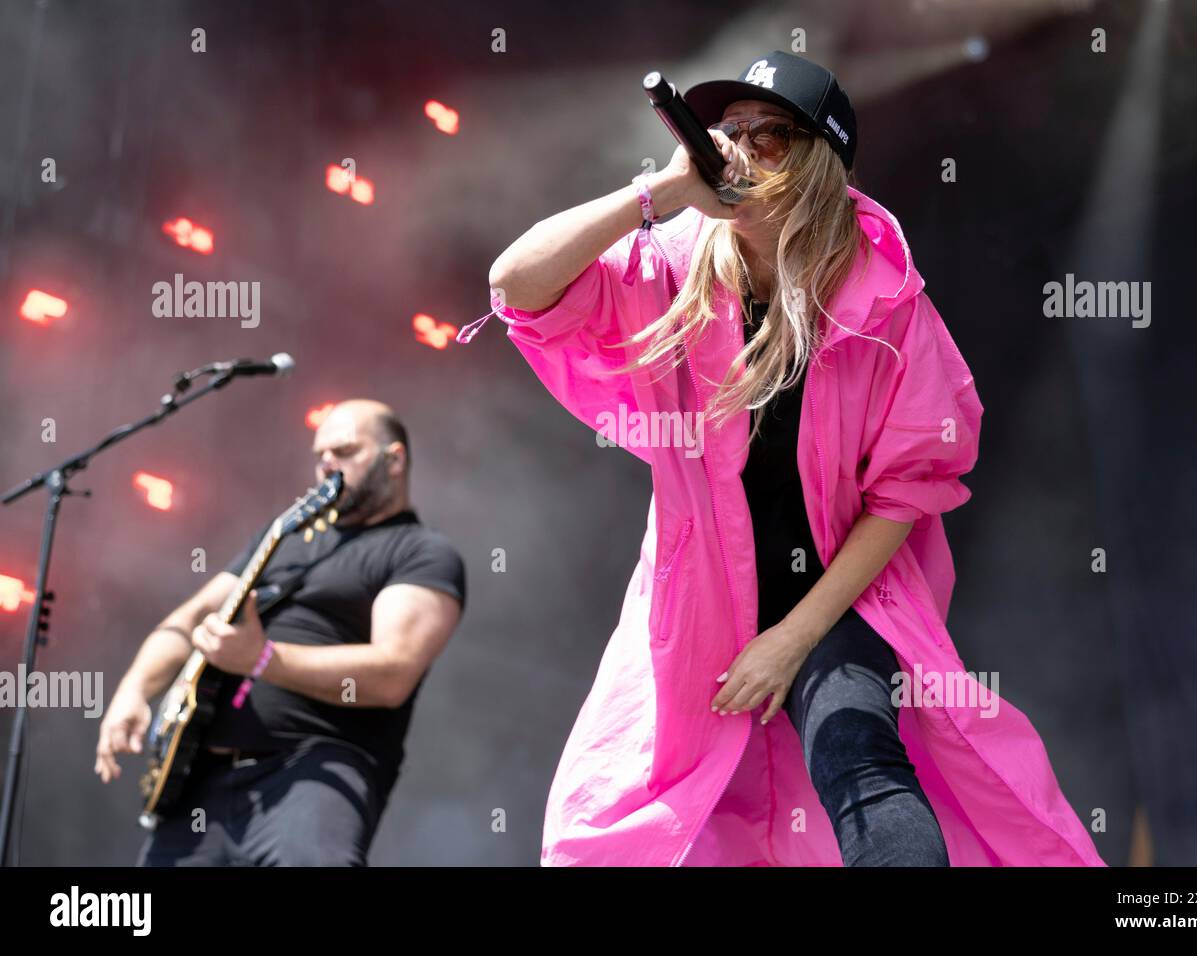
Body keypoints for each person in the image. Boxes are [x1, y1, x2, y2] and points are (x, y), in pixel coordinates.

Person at [478, 51, 1104, 867]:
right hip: (695, 602)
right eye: (725, 131)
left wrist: (793, 638)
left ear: (816, 158)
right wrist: (659, 194)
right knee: (631, 820)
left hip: (842, 598)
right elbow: (516, 284)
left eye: (765, 135)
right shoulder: (671, 265)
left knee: (858, 752)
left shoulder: (886, 303)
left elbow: (907, 492)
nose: (735, 149)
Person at [94, 399, 465, 866]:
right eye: (320, 454)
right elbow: (187, 622)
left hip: (313, 771)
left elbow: (393, 673)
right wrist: (133, 691)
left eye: (345, 451)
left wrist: (262, 659)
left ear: (394, 460)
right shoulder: (286, 539)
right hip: (199, 781)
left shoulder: (420, 553)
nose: (327, 463)